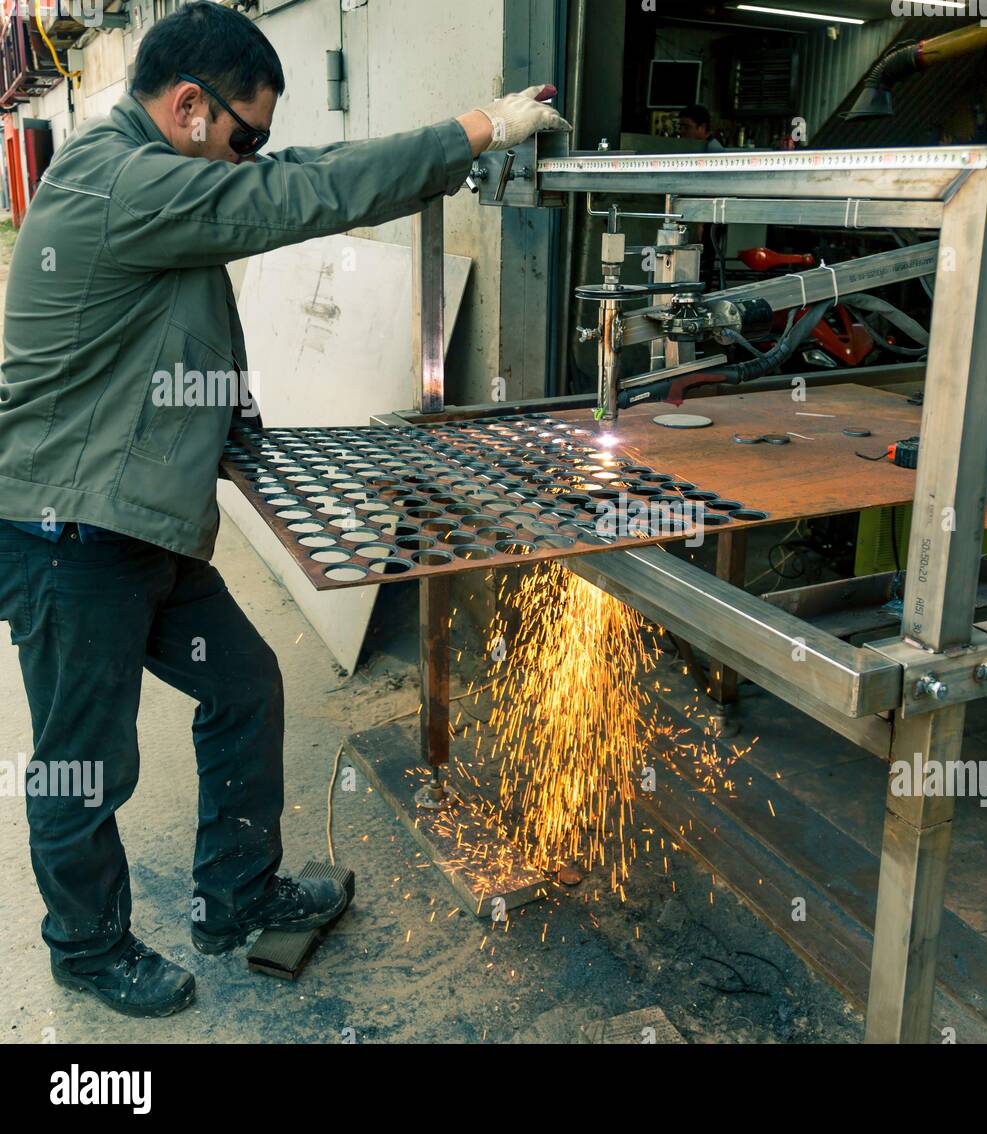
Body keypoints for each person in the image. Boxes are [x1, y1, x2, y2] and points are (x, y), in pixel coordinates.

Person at [0, 0, 567, 1019]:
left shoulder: (145, 173)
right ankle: (84, 946)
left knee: (247, 686)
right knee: (86, 763)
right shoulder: (118, 179)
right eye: (244, 136)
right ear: (186, 106)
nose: (251, 158)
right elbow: (301, 196)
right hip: (72, 536)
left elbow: (186, 300)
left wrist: (230, 415)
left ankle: (236, 896)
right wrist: (474, 132)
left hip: (138, 524)